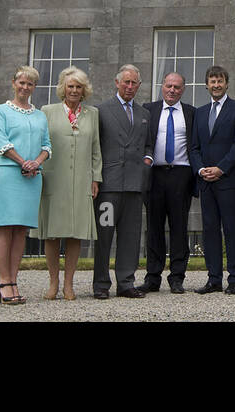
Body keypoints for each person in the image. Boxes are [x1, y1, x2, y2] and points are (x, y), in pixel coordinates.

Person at [32, 66, 100, 301]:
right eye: (70, 86)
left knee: (75, 233)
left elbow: (96, 150)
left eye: (78, 87)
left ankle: (69, 284)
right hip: (53, 178)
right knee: (52, 234)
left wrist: (95, 178)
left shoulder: (92, 113)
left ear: (84, 90)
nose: (74, 90)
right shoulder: (47, 111)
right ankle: (53, 282)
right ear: (63, 88)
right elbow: (39, 143)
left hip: (82, 179)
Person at [0, 66, 51, 305]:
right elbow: (1, 142)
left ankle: (14, 280)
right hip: (8, 174)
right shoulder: (0, 111)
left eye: (30, 84)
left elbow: (47, 145)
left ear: (34, 87)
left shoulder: (39, 115)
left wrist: (36, 162)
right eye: (22, 83)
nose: (25, 87)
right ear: (13, 83)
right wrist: (22, 162)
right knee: (5, 227)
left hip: (32, 176)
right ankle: (4, 281)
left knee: (21, 230)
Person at [92, 64, 152, 300]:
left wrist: (148, 159)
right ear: (116, 83)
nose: (129, 87)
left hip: (134, 187)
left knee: (130, 237)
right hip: (109, 186)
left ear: (139, 85)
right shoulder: (101, 111)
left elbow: (148, 144)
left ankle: (126, 282)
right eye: (125, 82)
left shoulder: (144, 114)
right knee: (104, 236)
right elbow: (95, 146)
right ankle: (101, 284)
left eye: (133, 83)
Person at [189, 65, 235, 294]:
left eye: (220, 81)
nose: (216, 85)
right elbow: (194, 147)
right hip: (205, 181)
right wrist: (201, 169)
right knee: (210, 230)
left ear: (226, 84)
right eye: (212, 81)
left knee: (231, 229)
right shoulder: (200, 112)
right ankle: (213, 278)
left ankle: (234, 278)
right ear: (207, 85)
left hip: (228, 180)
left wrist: (221, 168)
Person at [140, 72, 197, 294]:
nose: (172, 90)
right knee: (153, 227)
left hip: (181, 174)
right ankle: (152, 277)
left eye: (177, 87)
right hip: (154, 174)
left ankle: (177, 277)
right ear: (162, 86)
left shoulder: (191, 113)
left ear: (183, 90)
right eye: (168, 86)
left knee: (179, 227)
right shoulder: (148, 110)